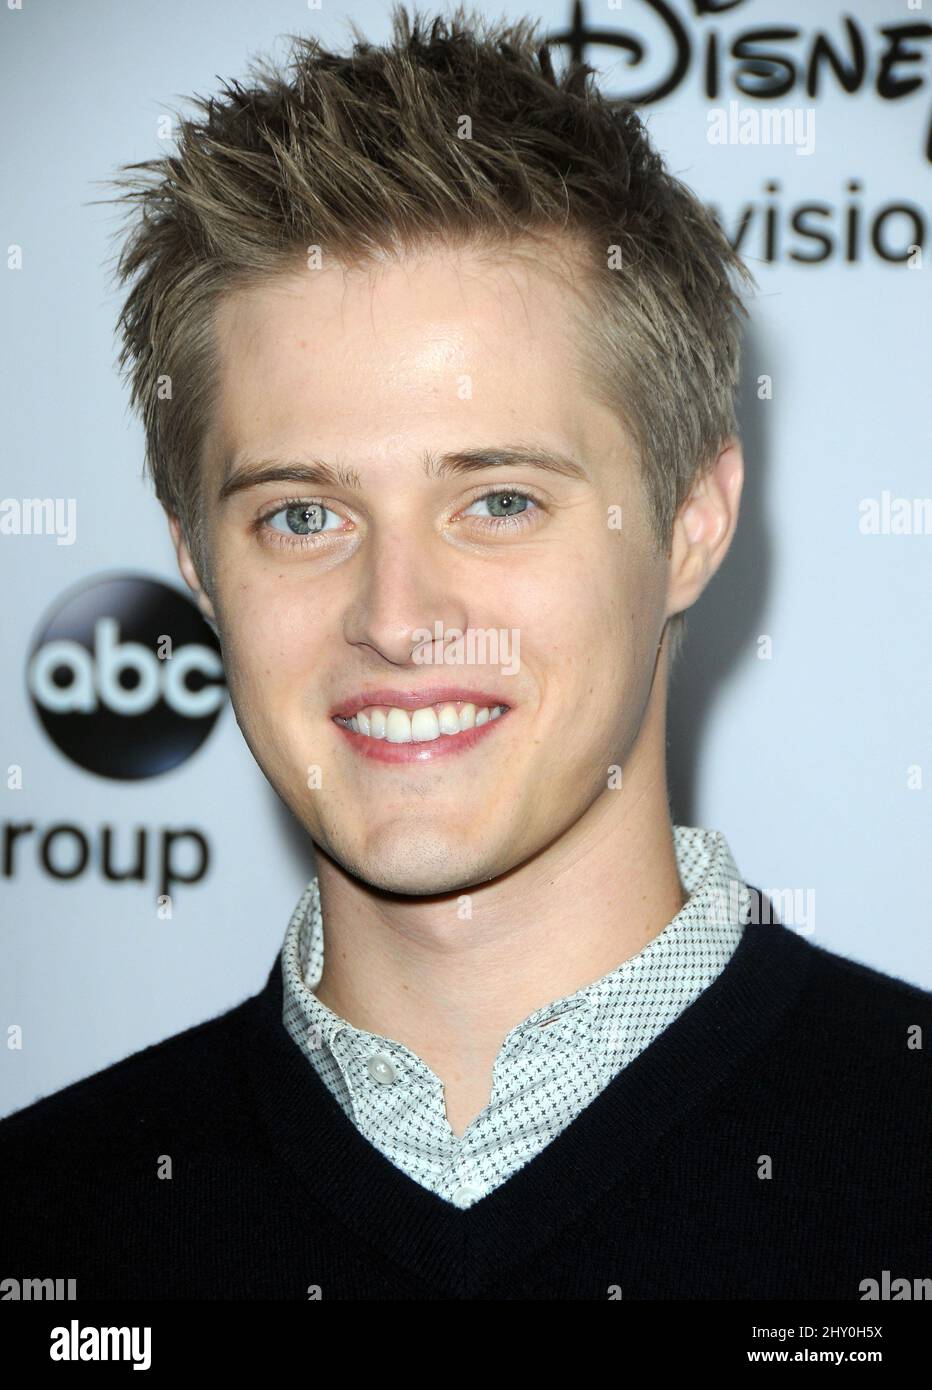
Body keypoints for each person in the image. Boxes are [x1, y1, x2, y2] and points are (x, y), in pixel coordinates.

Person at [1, 4, 929, 1301]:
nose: (395, 612)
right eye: (303, 515)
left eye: (498, 500)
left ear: (693, 525)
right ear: (200, 565)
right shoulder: (39, 1238)